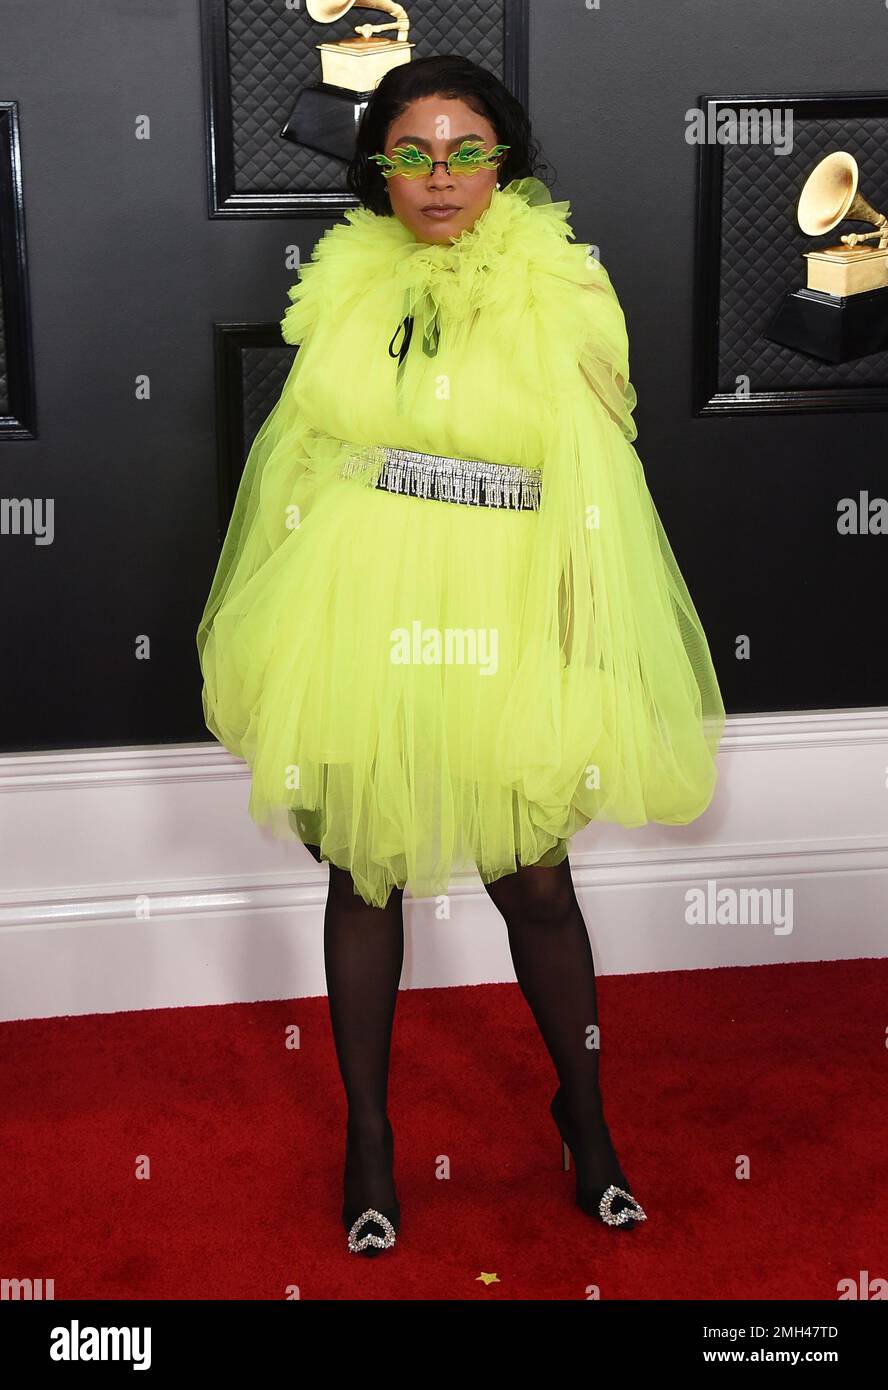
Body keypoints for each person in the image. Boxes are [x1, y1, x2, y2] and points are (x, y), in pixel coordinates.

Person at [196, 55, 725, 1257]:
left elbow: (602, 472)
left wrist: (580, 613)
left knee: (533, 876)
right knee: (362, 870)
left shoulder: (567, 286)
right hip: (358, 588)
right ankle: (371, 1139)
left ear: (507, 161)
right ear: (378, 167)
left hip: (503, 588)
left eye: (466, 153)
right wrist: (288, 603)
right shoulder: (344, 279)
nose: (439, 180)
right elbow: (301, 452)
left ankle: (585, 1119)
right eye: (412, 155)